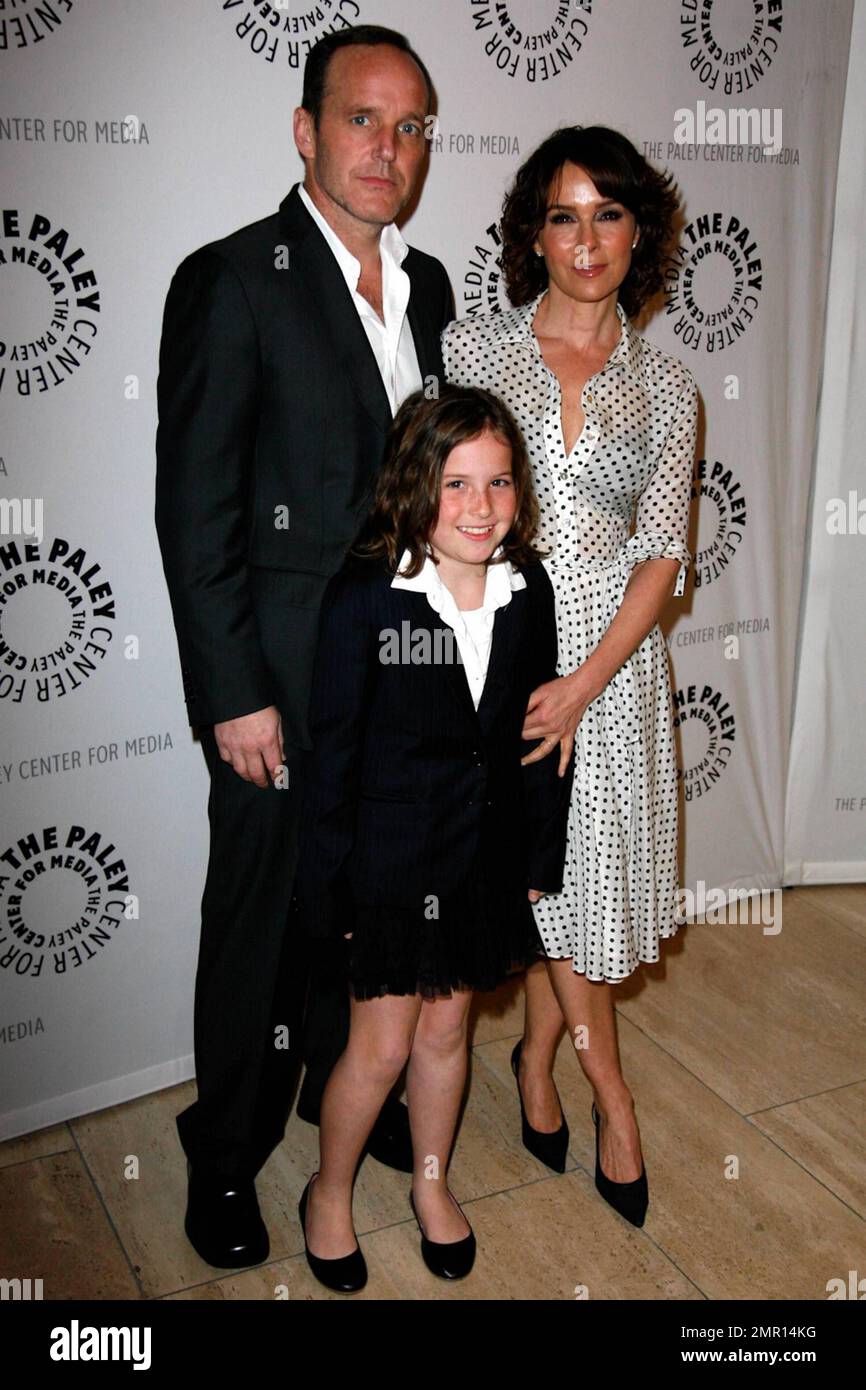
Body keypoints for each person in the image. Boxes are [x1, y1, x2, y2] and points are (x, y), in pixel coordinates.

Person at [154, 25, 453, 1269]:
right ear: (305, 130)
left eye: (414, 127)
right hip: (274, 687)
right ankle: (223, 1153)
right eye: (363, 121)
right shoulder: (234, 278)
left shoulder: (429, 288)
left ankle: (355, 1092)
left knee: (367, 914)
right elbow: (195, 507)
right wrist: (232, 695)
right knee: (262, 926)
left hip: (396, 682)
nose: (390, 150)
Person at [442, 126, 698, 1228]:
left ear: (636, 233)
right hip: (502, 656)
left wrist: (589, 679)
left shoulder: (670, 385)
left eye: (606, 213)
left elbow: (661, 555)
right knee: (548, 891)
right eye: (561, 214)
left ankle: (537, 1065)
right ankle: (610, 1096)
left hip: (614, 667)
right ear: (530, 233)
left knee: (578, 901)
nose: (584, 238)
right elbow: (442, 510)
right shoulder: (474, 352)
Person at [291, 385, 573, 1292]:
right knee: (378, 1048)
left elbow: (536, 742)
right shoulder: (366, 601)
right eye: (456, 485)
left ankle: (431, 1184)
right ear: (413, 485)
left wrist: (537, 858)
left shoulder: (529, 593)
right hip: (388, 868)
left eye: (498, 484)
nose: (480, 508)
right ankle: (329, 1193)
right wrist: (331, 889)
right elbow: (331, 762)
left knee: (448, 1037)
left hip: (479, 865)